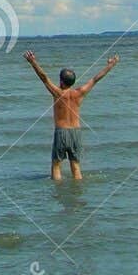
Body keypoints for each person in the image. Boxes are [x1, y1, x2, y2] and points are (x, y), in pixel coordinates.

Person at [23, 49, 119, 181]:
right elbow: (95, 79)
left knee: (56, 164)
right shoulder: (80, 93)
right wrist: (110, 65)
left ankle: (58, 190)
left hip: (61, 132)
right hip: (76, 132)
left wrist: (33, 62)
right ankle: (77, 191)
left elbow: (44, 78)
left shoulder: (58, 93)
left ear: (61, 82)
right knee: (75, 164)